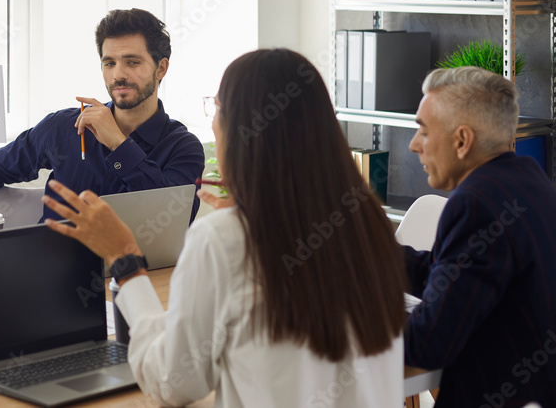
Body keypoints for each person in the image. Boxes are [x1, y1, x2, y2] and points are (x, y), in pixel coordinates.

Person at [45, 48, 408, 407]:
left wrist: (125, 261)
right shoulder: (366, 222)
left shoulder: (223, 238)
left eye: (218, 108)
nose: (214, 123)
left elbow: (172, 384)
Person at [0, 8, 205, 237]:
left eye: (132, 62)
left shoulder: (183, 147)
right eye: (109, 63)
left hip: (136, 277)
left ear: (161, 69)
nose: (118, 75)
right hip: (52, 272)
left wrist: (119, 144)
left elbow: (171, 222)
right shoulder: (64, 127)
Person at [402, 66, 556, 407]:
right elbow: (458, 279)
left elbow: (429, 342)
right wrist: (373, 255)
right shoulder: (530, 180)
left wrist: (346, 324)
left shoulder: (475, 204)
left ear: (461, 141)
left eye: (423, 131)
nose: (414, 146)